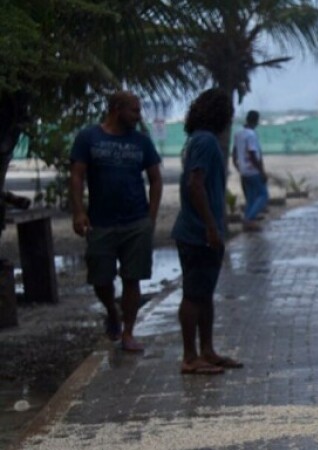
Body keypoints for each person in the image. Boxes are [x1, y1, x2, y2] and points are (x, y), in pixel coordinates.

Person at [69, 91, 163, 352]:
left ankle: (128, 333)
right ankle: (112, 309)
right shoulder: (89, 137)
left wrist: (150, 218)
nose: (138, 115)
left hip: (136, 222)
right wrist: (78, 212)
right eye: (134, 110)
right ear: (116, 108)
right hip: (101, 222)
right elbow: (77, 176)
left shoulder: (141, 142)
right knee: (100, 279)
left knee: (132, 279)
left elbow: (156, 179)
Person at [173, 88, 242, 375]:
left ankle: (207, 350)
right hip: (198, 231)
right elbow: (195, 184)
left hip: (201, 230)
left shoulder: (198, 140)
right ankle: (190, 357)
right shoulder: (206, 142)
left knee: (204, 293)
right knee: (193, 294)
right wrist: (211, 225)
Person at [232, 110, 268, 231]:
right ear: (256, 121)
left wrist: (238, 166)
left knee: (251, 197)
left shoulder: (238, 133)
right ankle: (249, 219)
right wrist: (261, 171)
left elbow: (234, 153)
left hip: (244, 171)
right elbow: (253, 154)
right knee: (263, 194)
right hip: (253, 171)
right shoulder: (251, 135)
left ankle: (248, 220)